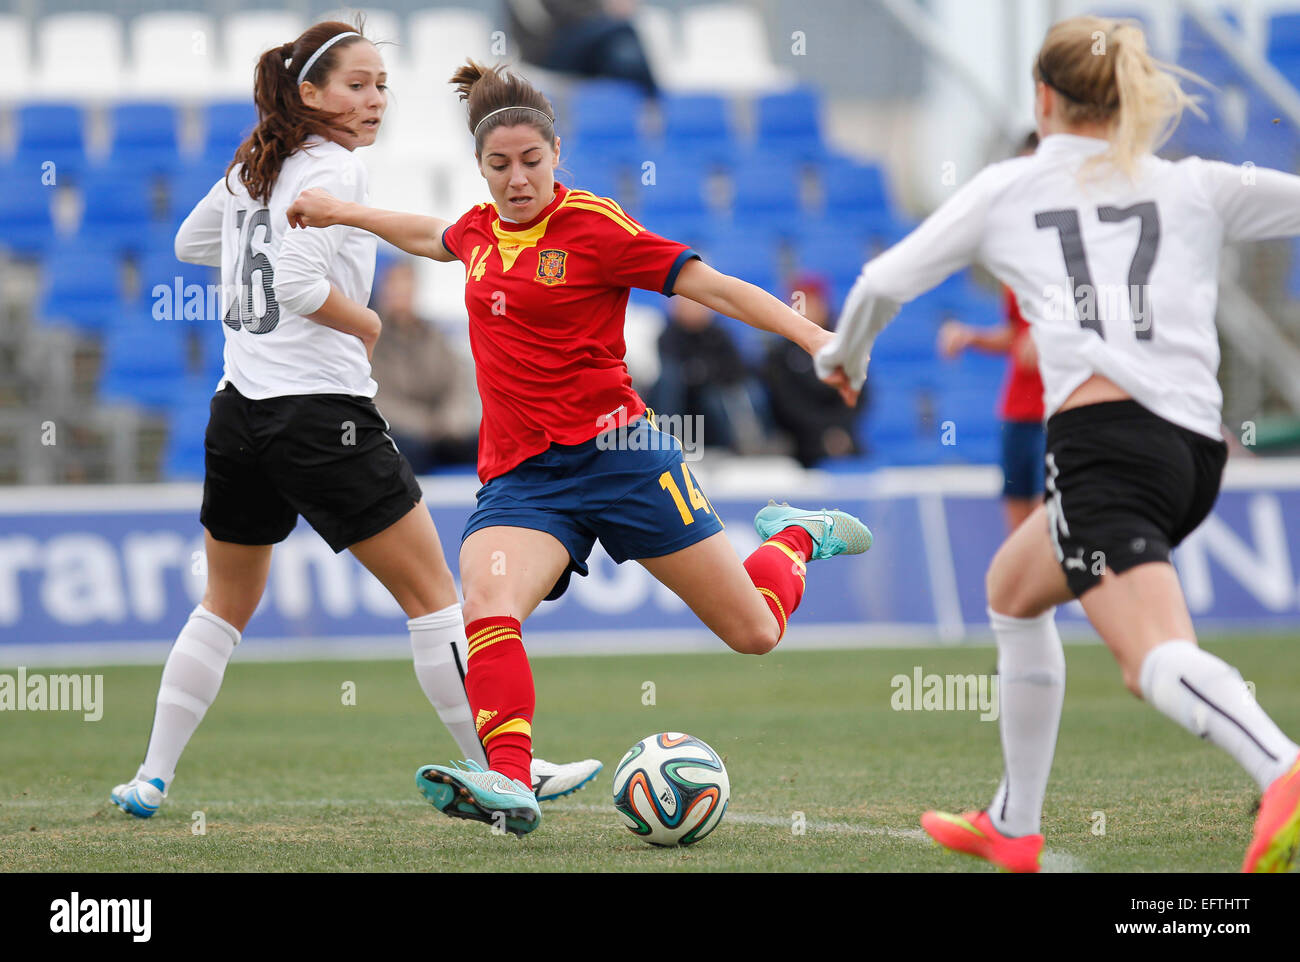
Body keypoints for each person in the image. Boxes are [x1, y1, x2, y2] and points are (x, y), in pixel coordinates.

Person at [286, 59, 873, 836]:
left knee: (754, 632)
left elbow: (716, 287)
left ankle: (797, 536)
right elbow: (429, 235)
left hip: (623, 457)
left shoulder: (595, 226)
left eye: (531, 161)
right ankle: (509, 780)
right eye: (500, 166)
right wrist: (337, 211)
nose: (517, 179)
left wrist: (813, 335)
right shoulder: (478, 231)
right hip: (526, 479)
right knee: (488, 604)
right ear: (482, 169)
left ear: (555, 155)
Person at [817, 15, 1300, 873]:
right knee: (1013, 587)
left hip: (1103, 447)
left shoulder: (1013, 187)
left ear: (1043, 97)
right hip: (1195, 451)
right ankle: (1014, 821)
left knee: (1147, 661)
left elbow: (882, 281)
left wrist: (841, 358)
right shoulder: (1190, 184)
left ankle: (1283, 768)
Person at [109, 22, 599, 821]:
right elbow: (302, 285)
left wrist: (252, 262)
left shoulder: (252, 165)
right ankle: (505, 774)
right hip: (319, 417)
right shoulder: (335, 166)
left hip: (238, 415)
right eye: (356, 85)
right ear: (310, 94)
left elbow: (189, 242)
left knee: (223, 606)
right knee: (437, 600)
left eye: (380, 84)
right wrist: (364, 323)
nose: (374, 100)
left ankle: (152, 775)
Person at [937, 133, 1043, 530]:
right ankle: (1030, 595)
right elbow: (1019, 335)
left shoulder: (1083, 244)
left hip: (1063, 408)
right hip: (1020, 408)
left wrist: (1054, 338)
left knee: (1055, 524)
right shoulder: (1016, 251)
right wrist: (972, 337)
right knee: (1018, 520)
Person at [369, 258, 479, 471]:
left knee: (486, 443)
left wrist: (451, 420)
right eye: (394, 285)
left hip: (442, 432)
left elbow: (456, 383)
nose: (401, 292)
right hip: (402, 433)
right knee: (408, 450)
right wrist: (426, 425)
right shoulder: (372, 338)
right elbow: (376, 398)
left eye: (407, 284)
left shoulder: (433, 335)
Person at [764, 273, 867, 468]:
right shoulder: (779, 356)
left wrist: (839, 431)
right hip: (800, 447)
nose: (808, 310)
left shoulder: (845, 346)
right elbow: (785, 403)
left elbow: (859, 394)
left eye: (814, 302)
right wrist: (823, 433)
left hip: (846, 440)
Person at [650, 295, 763, 454]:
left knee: (725, 397)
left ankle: (735, 445)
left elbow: (735, 370)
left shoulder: (719, 335)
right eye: (686, 305)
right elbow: (668, 371)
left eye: (696, 305)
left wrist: (701, 373)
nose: (692, 310)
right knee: (668, 385)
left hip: (713, 395)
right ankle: (669, 443)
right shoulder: (668, 337)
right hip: (682, 400)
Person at [504, 0, 658, 96]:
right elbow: (547, 23)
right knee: (623, 32)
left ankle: (649, 104)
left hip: (591, 45)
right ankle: (653, 101)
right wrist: (607, 9)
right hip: (548, 50)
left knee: (622, 52)